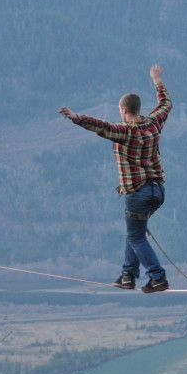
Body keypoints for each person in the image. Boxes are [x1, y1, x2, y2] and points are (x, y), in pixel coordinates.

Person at [59, 65, 172, 293]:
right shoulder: (153, 123)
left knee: (136, 237)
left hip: (137, 193)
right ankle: (128, 275)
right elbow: (165, 104)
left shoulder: (124, 132)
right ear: (138, 108)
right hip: (158, 192)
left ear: (122, 109)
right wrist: (157, 80)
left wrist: (75, 117)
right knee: (135, 234)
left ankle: (157, 277)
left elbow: (100, 126)